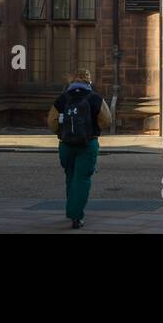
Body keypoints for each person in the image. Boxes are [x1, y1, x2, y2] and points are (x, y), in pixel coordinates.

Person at [49, 68, 111, 229]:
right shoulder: (96, 98)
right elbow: (107, 121)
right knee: (82, 179)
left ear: (73, 81)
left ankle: (71, 209)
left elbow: (52, 121)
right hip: (87, 144)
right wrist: (93, 128)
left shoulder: (62, 98)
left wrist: (61, 132)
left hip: (66, 145)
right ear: (88, 81)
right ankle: (76, 215)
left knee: (70, 177)